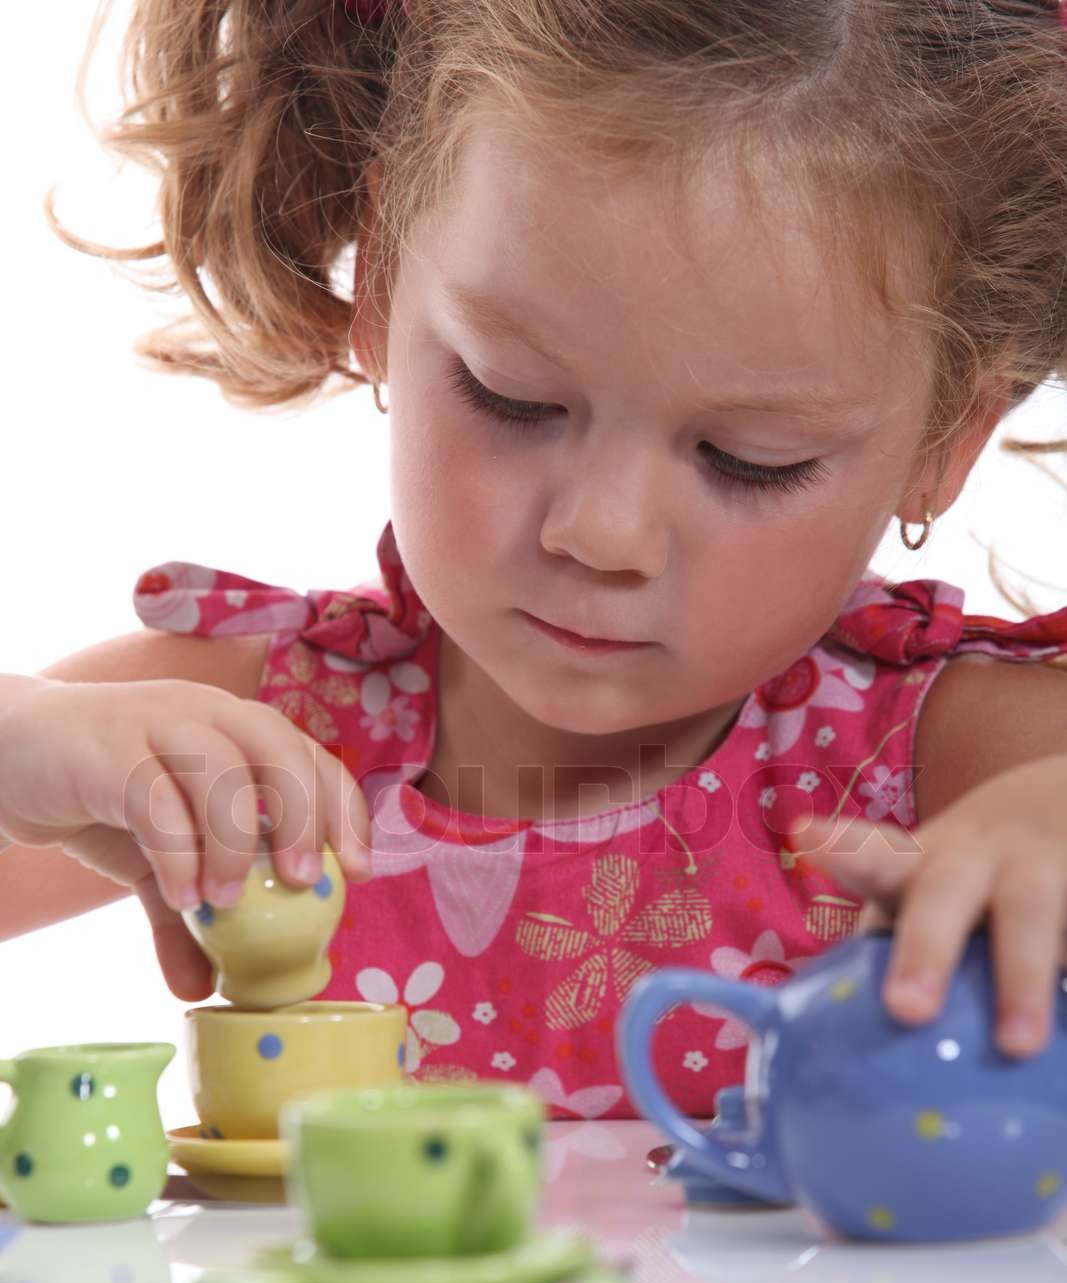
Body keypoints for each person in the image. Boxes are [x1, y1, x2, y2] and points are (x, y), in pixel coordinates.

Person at [4, 0, 1067, 1120]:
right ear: (382, 281)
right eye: (510, 397)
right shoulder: (258, 732)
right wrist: (21, 745)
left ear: (945, 439)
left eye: (750, 460)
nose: (600, 534)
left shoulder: (962, 764)